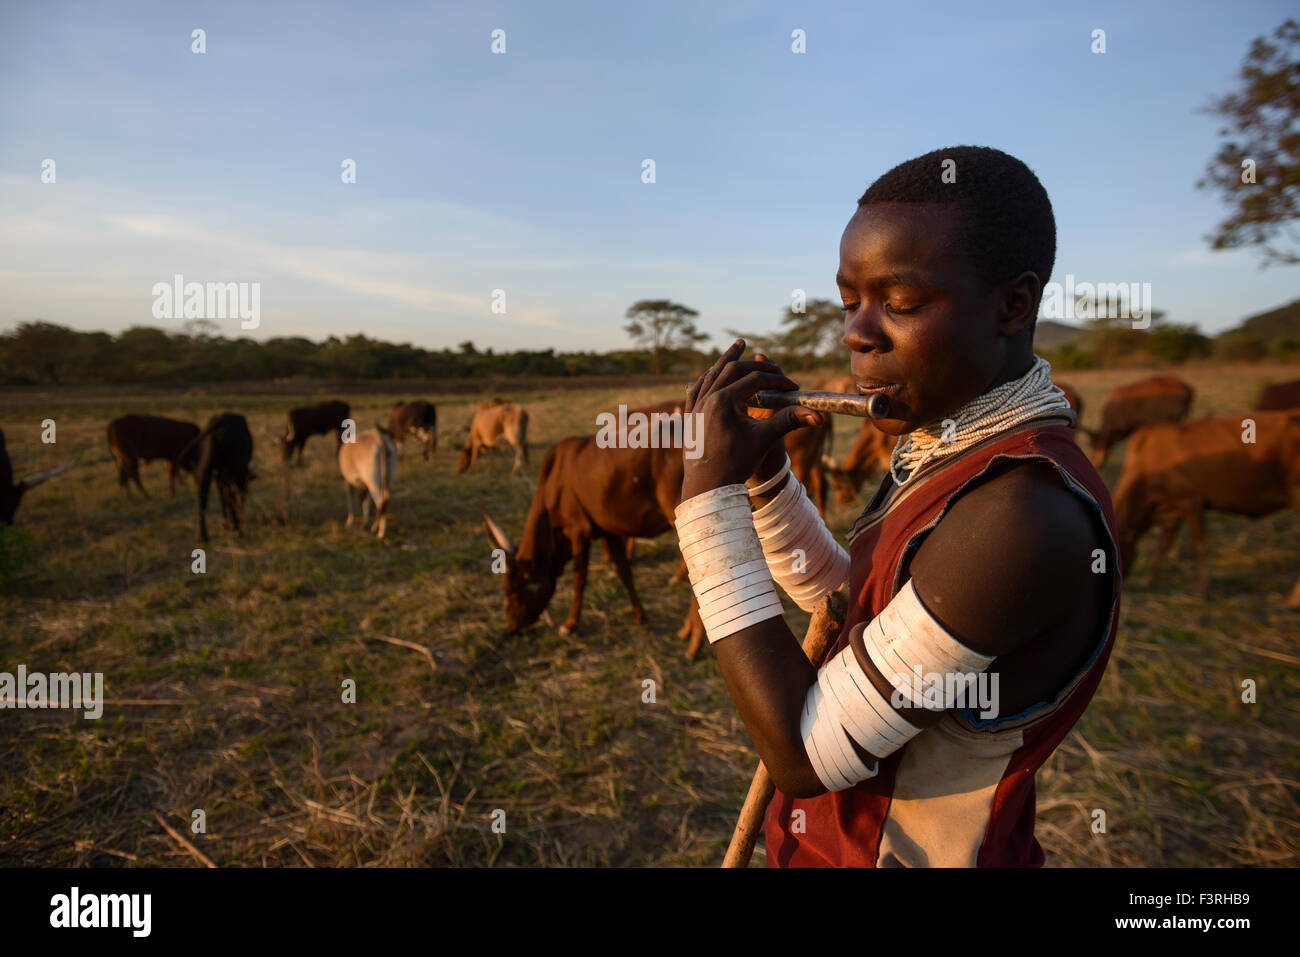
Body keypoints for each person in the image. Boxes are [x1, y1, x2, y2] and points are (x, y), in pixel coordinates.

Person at [677, 145, 1121, 867]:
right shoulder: (945, 449)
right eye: (850, 302)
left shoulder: (1021, 516)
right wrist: (763, 480)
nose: (857, 333)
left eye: (901, 304)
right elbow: (857, 608)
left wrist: (706, 504)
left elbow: (803, 751)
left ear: (1013, 305)